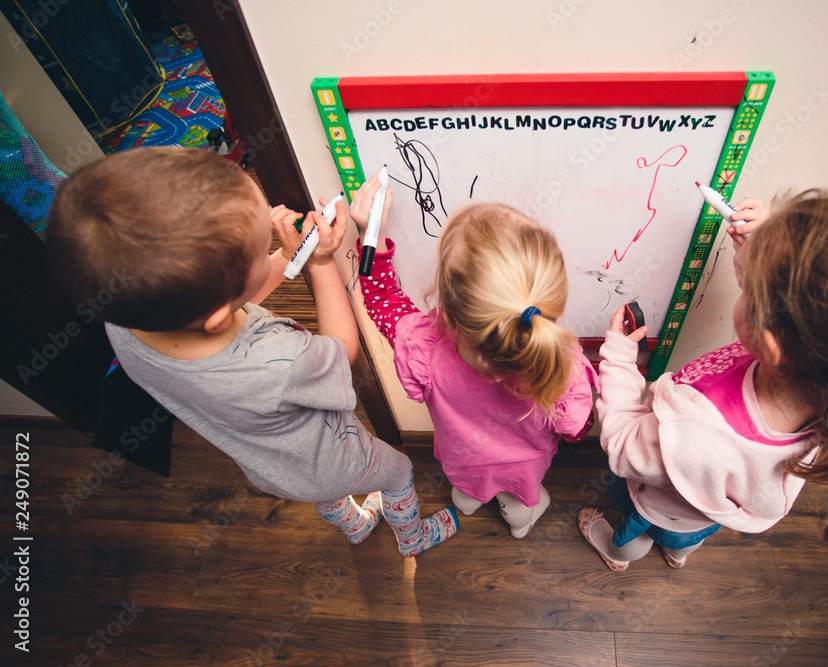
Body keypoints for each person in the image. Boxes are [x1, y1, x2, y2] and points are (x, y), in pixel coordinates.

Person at [46, 147, 457, 557]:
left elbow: (235, 296)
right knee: (399, 471)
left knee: (327, 497)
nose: (272, 254)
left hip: (270, 467)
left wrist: (284, 255)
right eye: (264, 254)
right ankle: (413, 539)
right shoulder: (277, 363)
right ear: (219, 315)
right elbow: (341, 350)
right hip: (333, 457)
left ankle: (356, 527)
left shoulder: (126, 322)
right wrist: (320, 262)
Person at [579, 190, 828, 571]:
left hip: (654, 503)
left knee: (636, 532)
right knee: (685, 538)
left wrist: (618, 357)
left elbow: (620, 441)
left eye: (753, 287)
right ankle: (679, 555)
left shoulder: (696, 431)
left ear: (770, 341)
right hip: (707, 515)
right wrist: (766, 252)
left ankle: (618, 554)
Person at [350, 172, 599, 539]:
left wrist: (370, 232)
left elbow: (382, 299)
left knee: (465, 493)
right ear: (549, 308)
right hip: (523, 471)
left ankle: (467, 500)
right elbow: (576, 430)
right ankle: (520, 521)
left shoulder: (425, 348)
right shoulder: (564, 366)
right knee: (520, 505)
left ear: (449, 309)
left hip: (462, 462)